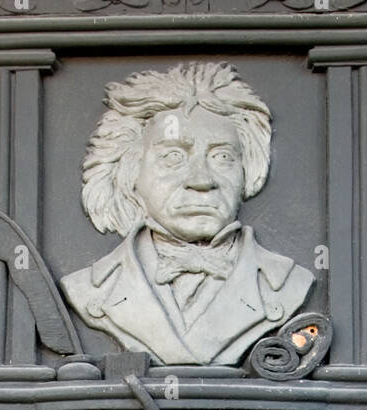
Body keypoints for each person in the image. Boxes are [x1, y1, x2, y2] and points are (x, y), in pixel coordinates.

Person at [61, 62, 314, 367]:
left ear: (248, 172)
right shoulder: (88, 288)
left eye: (222, 157)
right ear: (129, 171)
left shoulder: (288, 283)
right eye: (172, 157)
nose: (201, 180)